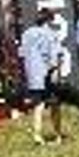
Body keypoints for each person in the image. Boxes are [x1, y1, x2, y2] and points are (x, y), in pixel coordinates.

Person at [18, 8, 65, 144]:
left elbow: (21, 54)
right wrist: (56, 72)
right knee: (55, 105)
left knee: (38, 105)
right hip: (47, 75)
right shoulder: (51, 34)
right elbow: (55, 57)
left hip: (33, 76)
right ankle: (58, 135)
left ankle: (37, 135)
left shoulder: (26, 34)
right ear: (49, 20)